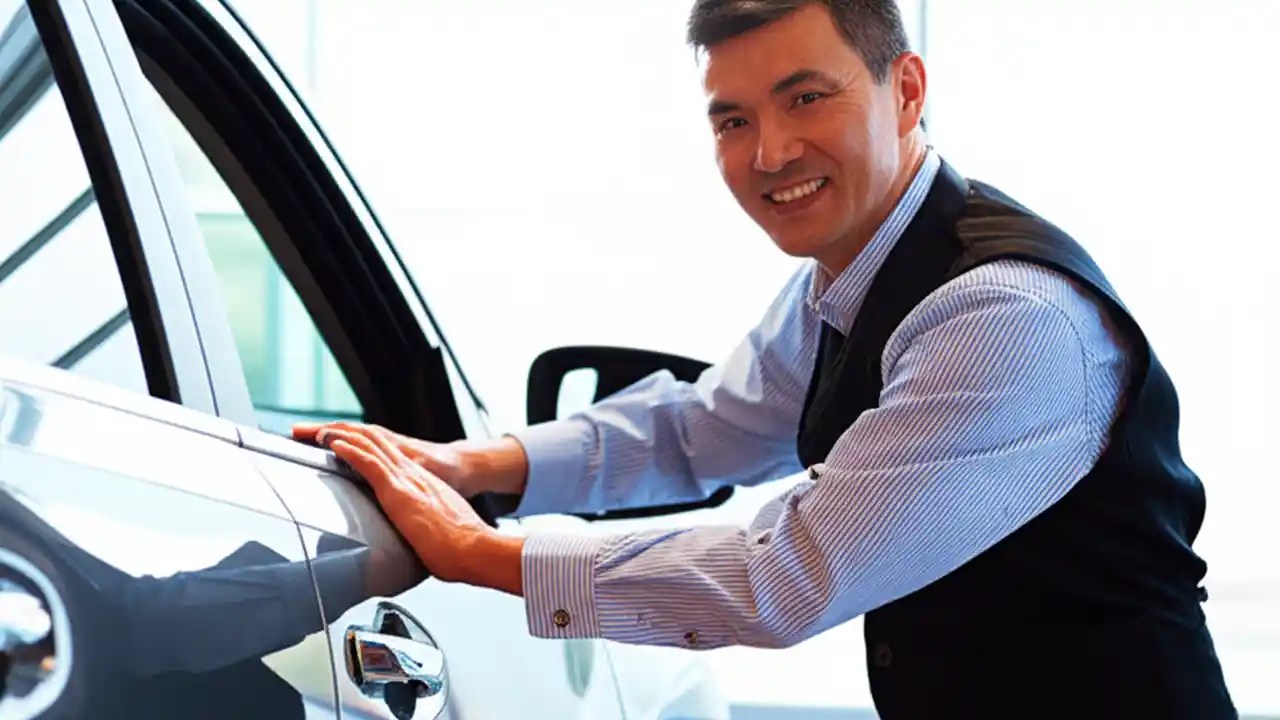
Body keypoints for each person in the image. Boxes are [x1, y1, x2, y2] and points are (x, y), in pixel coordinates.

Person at [295, 1, 1237, 717]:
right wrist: (472, 465)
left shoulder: (1004, 317)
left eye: (806, 98)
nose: (770, 151)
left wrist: (482, 554)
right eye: (732, 120)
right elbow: (708, 430)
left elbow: (783, 576)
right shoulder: (856, 273)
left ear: (905, 89)